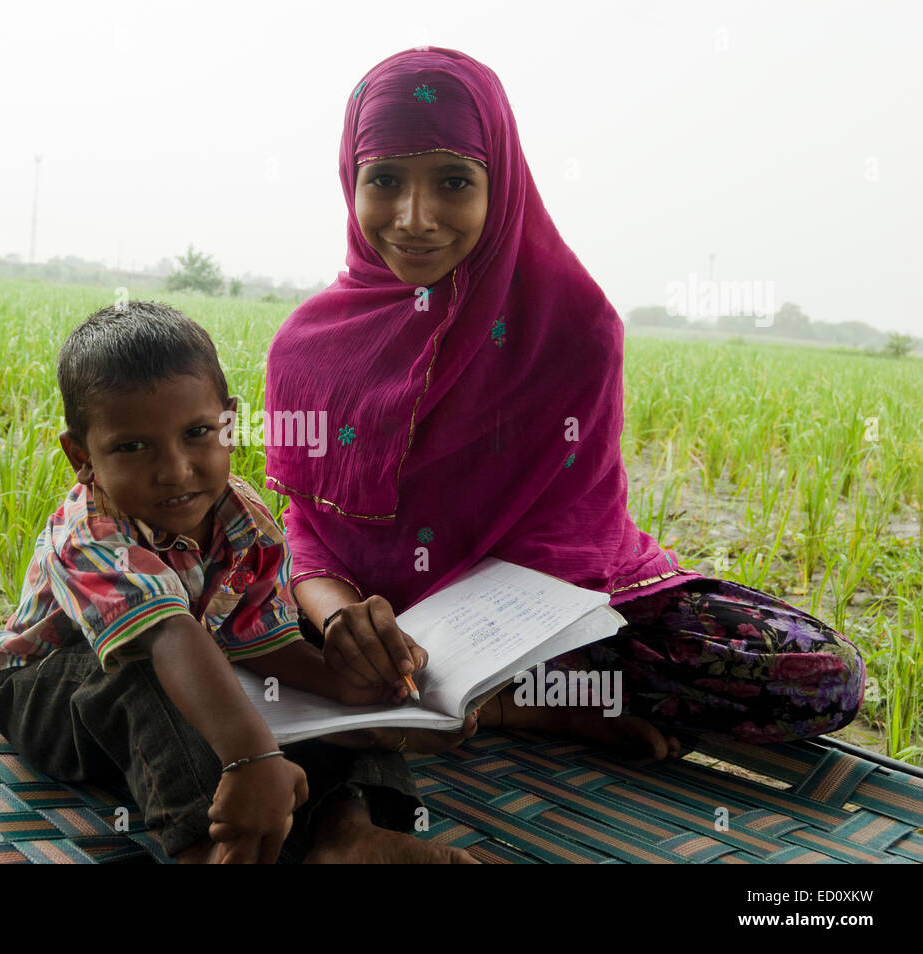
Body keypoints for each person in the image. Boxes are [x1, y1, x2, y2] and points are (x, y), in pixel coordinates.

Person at [263, 47, 866, 759]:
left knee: (817, 675)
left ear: (504, 183)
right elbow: (305, 524)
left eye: (454, 181)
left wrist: (490, 651)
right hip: (364, 622)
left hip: (537, 616)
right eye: (385, 180)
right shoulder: (308, 346)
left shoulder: (573, 327)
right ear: (350, 181)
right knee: (189, 619)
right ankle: (486, 700)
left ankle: (508, 699)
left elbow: (571, 529)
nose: (414, 217)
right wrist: (338, 621)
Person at [0, 300, 476, 864]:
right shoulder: (88, 533)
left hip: (192, 672)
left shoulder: (244, 518)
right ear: (81, 456)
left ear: (229, 424)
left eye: (196, 433)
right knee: (149, 674)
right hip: (51, 691)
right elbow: (169, 636)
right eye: (131, 447)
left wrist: (362, 693)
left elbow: (263, 640)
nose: (175, 469)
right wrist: (251, 758)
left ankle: (347, 829)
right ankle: (207, 846)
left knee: (329, 659)